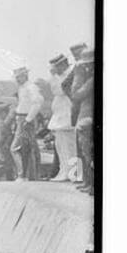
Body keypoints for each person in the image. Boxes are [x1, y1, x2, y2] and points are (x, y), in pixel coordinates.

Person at [47, 53, 77, 181]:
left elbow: (59, 90)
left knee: (70, 146)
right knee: (61, 146)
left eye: (56, 67)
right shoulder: (59, 76)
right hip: (60, 115)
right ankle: (64, 171)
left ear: (63, 64)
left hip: (67, 114)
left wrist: (54, 76)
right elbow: (54, 90)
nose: (55, 70)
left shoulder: (70, 74)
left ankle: (75, 174)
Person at [11, 66, 44, 180]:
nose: (17, 80)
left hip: (25, 119)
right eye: (16, 77)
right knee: (28, 147)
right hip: (21, 118)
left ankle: (22, 175)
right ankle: (30, 175)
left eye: (19, 77)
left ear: (25, 76)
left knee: (16, 148)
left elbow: (37, 103)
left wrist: (28, 119)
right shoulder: (22, 88)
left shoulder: (31, 87)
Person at [72, 46, 95, 194]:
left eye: (87, 64)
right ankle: (88, 183)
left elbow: (76, 94)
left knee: (88, 153)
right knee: (85, 153)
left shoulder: (91, 79)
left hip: (87, 118)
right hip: (85, 118)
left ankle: (91, 184)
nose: (85, 66)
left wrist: (78, 76)